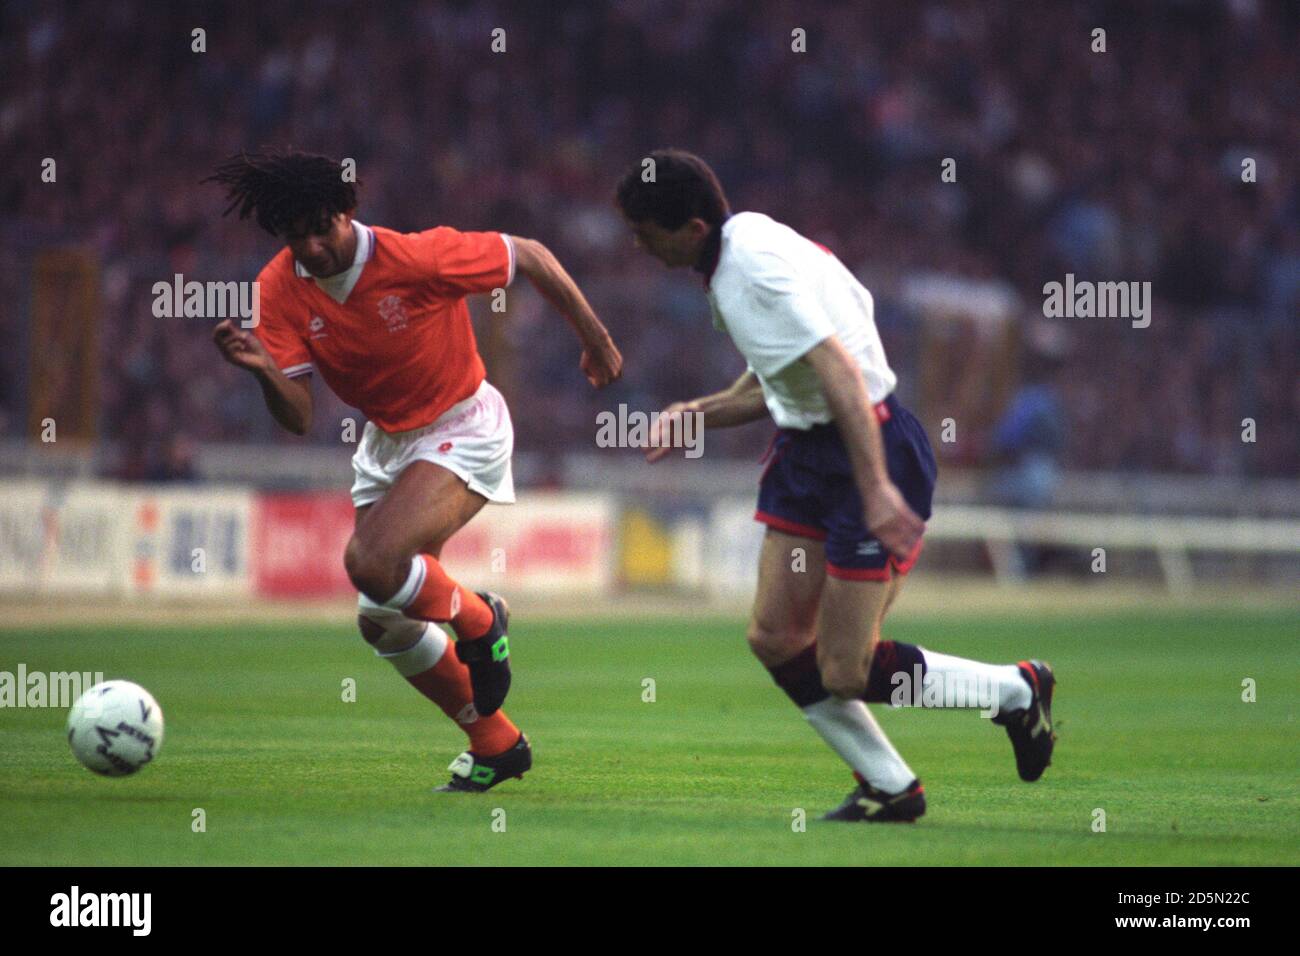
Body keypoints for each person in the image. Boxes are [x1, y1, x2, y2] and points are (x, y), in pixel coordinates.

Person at [618, 149, 1055, 821]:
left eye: (646, 230)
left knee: (845, 668)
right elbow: (781, 370)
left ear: (692, 228)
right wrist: (697, 414)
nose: (638, 244)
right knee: (773, 637)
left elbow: (839, 373)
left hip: (867, 442)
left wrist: (876, 488)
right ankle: (890, 785)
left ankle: (1015, 691)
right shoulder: (748, 237)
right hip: (807, 451)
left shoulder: (748, 277)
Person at [208, 150, 622, 792]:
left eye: (324, 227)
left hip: (463, 423)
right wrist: (265, 371)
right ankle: (498, 743)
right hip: (388, 443)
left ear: (348, 210)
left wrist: (594, 338)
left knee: (369, 563)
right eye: (297, 237)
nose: (313, 247)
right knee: (383, 619)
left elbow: (531, 255)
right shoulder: (277, 288)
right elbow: (296, 417)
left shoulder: (417, 258)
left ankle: (480, 620)